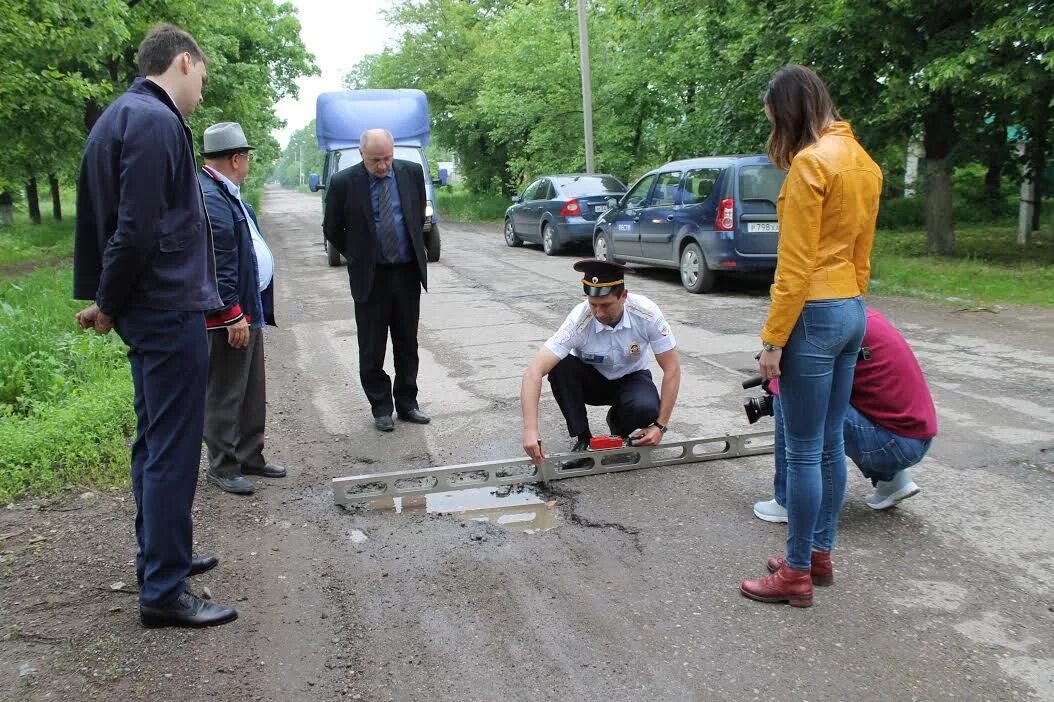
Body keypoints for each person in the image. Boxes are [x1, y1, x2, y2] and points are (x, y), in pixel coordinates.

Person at [72, 24, 237, 627]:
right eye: (202, 78)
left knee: (154, 440)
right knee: (171, 447)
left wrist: (105, 297)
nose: (200, 93)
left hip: (148, 305)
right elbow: (136, 228)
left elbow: (107, 222)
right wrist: (109, 302)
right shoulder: (155, 120)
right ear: (185, 63)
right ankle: (164, 592)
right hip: (166, 308)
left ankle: (165, 556)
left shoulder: (117, 117)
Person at [739, 65, 882, 608]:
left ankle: (795, 573)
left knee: (800, 451)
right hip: (850, 309)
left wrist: (773, 340)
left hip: (814, 315)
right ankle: (818, 555)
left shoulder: (809, 164)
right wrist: (851, 302)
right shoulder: (863, 161)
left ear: (789, 111)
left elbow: (794, 266)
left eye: (775, 117)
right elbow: (862, 255)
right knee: (826, 445)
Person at [752, 307, 938, 524]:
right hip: (914, 437)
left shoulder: (819, 325)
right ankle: (892, 481)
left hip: (889, 444)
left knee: (788, 395)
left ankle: (789, 502)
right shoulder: (856, 312)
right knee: (835, 395)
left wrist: (776, 380)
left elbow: (802, 388)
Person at [521, 260, 681, 467]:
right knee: (560, 367)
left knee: (647, 408)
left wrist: (660, 426)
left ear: (624, 296)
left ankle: (618, 426)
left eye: (606, 305)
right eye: (593, 304)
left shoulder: (647, 314)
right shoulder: (579, 320)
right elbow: (533, 372)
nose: (598, 313)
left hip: (631, 379)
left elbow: (672, 368)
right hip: (592, 382)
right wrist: (530, 431)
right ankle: (583, 439)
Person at [322, 128, 431, 433]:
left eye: (387, 158)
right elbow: (332, 227)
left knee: (407, 343)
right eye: (375, 161)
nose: (383, 166)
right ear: (362, 156)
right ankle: (381, 407)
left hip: (407, 272)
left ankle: (408, 403)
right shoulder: (344, 182)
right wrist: (358, 254)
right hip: (371, 276)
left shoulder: (411, 172)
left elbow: (418, 214)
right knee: (372, 347)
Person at [197, 122, 285, 495]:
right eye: (246, 156)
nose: (247, 162)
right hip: (229, 316)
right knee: (226, 390)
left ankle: (250, 455)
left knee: (250, 388)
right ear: (236, 159)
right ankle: (223, 465)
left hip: (248, 309)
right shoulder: (211, 197)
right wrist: (232, 312)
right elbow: (220, 261)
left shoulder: (226, 192)